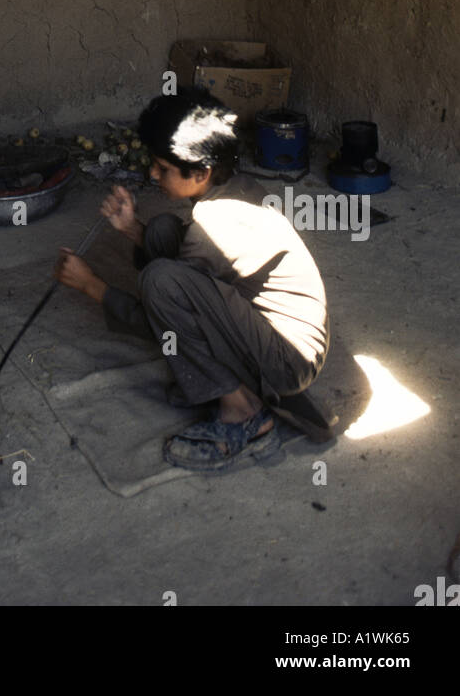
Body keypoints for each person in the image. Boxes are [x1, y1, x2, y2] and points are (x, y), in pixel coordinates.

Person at [53, 88, 332, 471]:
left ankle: (245, 414)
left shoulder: (218, 222)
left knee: (160, 282)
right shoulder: (236, 188)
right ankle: (226, 381)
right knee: (163, 231)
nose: (152, 174)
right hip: (268, 329)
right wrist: (134, 229)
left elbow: (162, 320)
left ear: (201, 171)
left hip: (286, 360)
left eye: (162, 168)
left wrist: (92, 286)